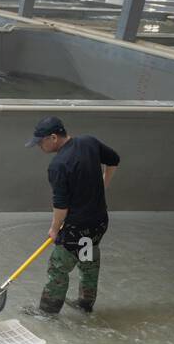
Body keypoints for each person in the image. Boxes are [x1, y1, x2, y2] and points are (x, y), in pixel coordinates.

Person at [25, 116, 120, 316]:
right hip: (99, 223)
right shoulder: (89, 142)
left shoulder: (58, 165)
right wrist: (104, 185)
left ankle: (47, 312)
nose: (39, 146)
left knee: (58, 268)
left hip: (76, 228)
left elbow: (61, 205)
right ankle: (85, 304)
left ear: (53, 138)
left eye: (41, 142)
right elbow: (114, 159)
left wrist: (54, 229)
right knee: (88, 262)